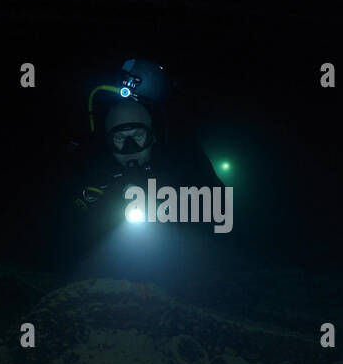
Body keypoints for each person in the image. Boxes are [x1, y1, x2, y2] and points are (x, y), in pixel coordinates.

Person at [62, 58, 223, 246]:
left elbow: (216, 207)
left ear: (154, 134)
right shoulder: (91, 162)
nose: (130, 148)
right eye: (120, 138)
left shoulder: (180, 156)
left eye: (138, 136)